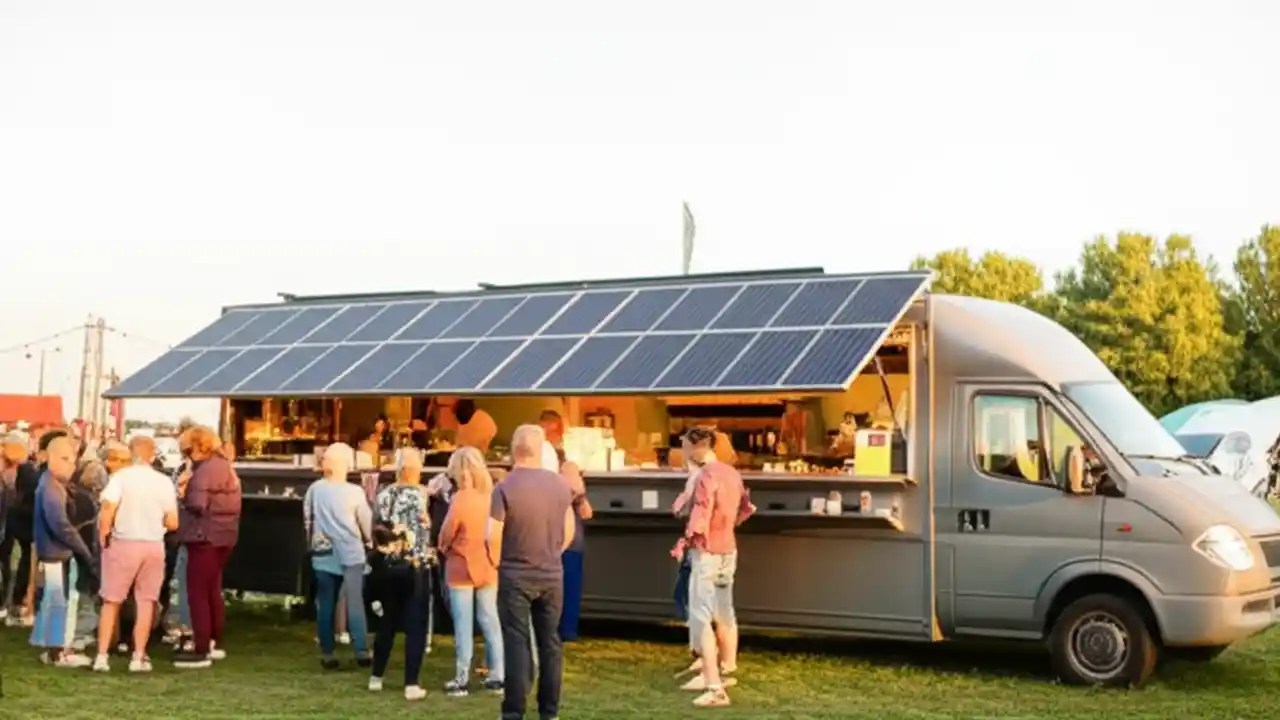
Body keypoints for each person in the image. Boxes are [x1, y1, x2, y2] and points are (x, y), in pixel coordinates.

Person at [487, 424, 575, 720]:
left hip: (514, 572)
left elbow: (492, 534)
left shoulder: (504, 487)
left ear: (514, 449)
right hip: (551, 573)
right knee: (550, 642)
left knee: (516, 641)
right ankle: (549, 711)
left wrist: (497, 562)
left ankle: (513, 711)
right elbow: (568, 532)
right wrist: (552, 553)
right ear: (541, 450)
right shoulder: (561, 486)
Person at [672, 427, 756, 708]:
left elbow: (700, 516)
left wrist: (683, 543)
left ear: (697, 448)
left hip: (706, 551)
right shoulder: (732, 472)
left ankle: (713, 686)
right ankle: (727, 670)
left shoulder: (705, 475)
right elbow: (747, 508)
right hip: (728, 549)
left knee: (701, 617)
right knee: (725, 612)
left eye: (684, 447)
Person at [92, 439, 178, 673]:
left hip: (124, 542)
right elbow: (172, 522)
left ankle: (101, 656)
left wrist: (104, 533)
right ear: (152, 456)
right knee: (147, 601)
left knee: (112, 600)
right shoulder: (164, 482)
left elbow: (108, 507)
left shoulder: (120, 478)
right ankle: (138, 656)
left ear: (131, 454)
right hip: (153, 545)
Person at [368, 447, 434, 701]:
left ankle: (377, 676)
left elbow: (377, 527)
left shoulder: (384, 494)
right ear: (416, 470)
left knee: (387, 622)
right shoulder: (421, 495)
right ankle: (411, 683)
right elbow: (424, 528)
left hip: (387, 565)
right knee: (415, 625)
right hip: (413, 565)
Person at [173, 426, 242, 669]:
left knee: (197, 592)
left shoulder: (204, 471)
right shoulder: (225, 466)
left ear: (194, 446)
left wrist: (182, 492)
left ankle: (201, 648)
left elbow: (197, 504)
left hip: (204, 537)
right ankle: (214, 641)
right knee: (212, 590)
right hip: (224, 536)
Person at [437, 446, 504, 697]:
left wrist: (442, 546)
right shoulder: (493, 496)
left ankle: (462, 678)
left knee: (463, 623)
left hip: (461, 564)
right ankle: (498, 675)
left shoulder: (461, 498)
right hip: (488, 563)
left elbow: (447, 531)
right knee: (490, 620)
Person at [304, 442, 373, 670]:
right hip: (351, 552)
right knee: (355, 602)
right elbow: (366, 522)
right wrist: (371, 541)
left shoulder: (315, 489)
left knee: (326, 603)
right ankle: (361, 649)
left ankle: (328, 651)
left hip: (323, 552)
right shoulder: (355, 492)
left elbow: (307, 519)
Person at [29, 435, 97, 667]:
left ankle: (54, 650)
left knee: (56, 602)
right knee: (59, 603)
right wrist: (83, 550)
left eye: (73, 459)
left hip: (55, 553)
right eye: (66, 459)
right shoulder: (50, 488)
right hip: (56, 554)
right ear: (50, 458)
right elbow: (60, 525)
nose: (72, 465)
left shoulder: (52, 485)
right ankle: (59, 653)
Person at [3, 431, 44, 627]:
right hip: (22, 526)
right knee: (22, 565)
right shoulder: (27, 471)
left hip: (16, 525)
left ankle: (13, 604)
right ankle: (16, 604)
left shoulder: (23, 470)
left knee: (17, 564)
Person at [558, 454, 591, 642]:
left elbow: (586, 512)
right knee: (571, 589)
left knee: (564, 589)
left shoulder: (561, 489)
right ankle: (568, 628)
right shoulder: (577, 494)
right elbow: (588, 513)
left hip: (566, 545)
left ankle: (565, 628)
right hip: (573, 545)